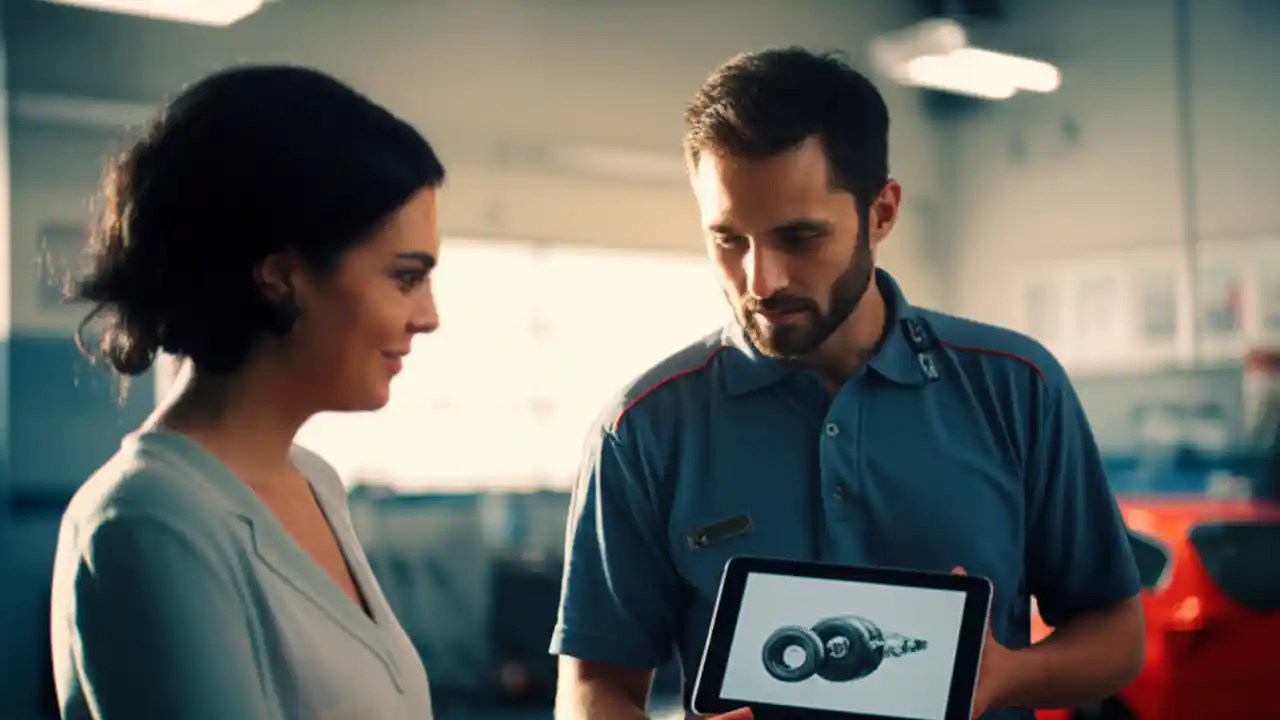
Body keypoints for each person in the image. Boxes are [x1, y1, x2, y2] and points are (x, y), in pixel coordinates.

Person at [550, 47, 1146, 720]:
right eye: (728, 240)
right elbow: (595, 685)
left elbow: (1118, 636)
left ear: (882, 213)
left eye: (798, 238)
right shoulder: (643, 431)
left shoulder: (1016, 388)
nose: (760, 281)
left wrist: (1010, 677)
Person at [48, 65, 445, 719]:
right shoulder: (152, 519)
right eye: (406, 279)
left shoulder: (314, 483)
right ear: (281, 277)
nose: (428, 316)